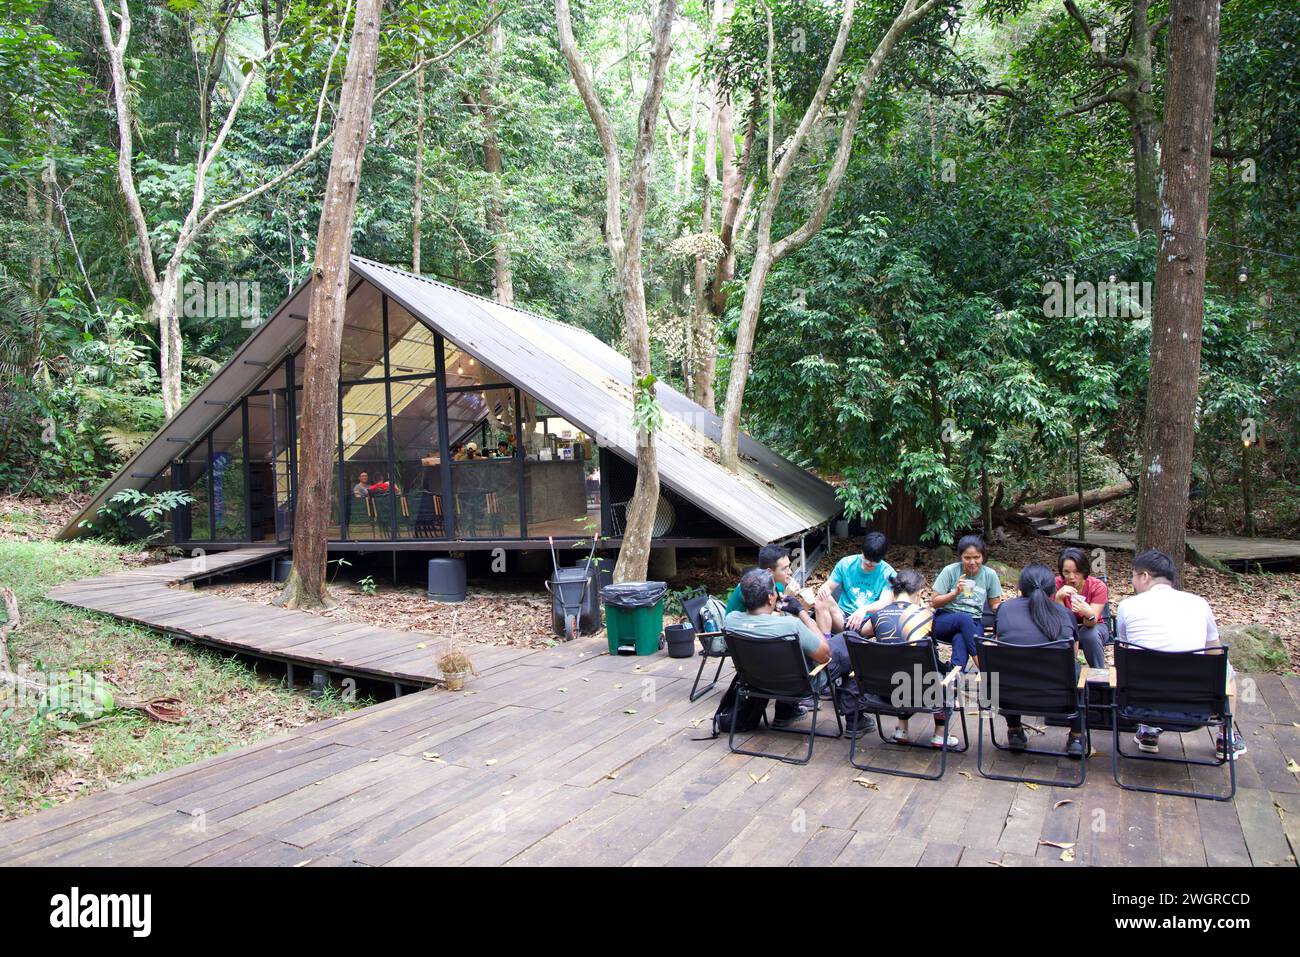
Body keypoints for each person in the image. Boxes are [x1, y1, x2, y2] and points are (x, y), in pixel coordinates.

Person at [1116, 549, 1242, 759]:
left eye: (1133, 575)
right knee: (1226, 669)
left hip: (1141, 704)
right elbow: (1215, 652)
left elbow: (1124, 649)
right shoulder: (1199, 603)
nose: (1132, 581)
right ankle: (1225, 737)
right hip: (1194, 707)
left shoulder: (1126, 606)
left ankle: (1148, 731)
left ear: (1145, 576)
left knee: (1138, 663)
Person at [726, 568, 856, 729]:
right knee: (848, 641)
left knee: (784, 658)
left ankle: (785, 711)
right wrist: (802, 613)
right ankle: (855, 720)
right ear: (770, 598)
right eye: (774, 590)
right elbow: (825, 655)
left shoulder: (730, 621)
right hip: (801, 685)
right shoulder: (791, 626)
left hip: (756, 682)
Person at [994, 564, 1084, 757]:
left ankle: (1014, 731)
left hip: (1008, 696)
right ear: (1053, 589)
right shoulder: (1065, 614)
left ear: (1020, 587)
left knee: (1007, 667)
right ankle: (1077, 737)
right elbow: (1073, 656)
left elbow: (998, 646)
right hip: (1058, 697)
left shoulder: (1005, 609)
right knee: (1079, 673)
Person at [859, 569, 955, 748]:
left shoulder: (878, 615)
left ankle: (902, 729)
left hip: (884, 691)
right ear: (918, 594)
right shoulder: (925, 616)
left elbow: (863, 632)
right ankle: (940, 734)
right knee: (947, 678)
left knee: (897, 665)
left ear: (893, 593)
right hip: (924, 693)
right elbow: (932, 654)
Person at [930, 535, 1004, 671]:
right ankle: (983, 665)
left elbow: (994, 604)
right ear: (960, 557)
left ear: (983, 557)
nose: (972, 562)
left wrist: (1009, 609)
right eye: (967, 558)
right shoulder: (950, 571)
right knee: (964, 619)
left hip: (974, 623)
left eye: (977, 557)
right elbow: (934, 603)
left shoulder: (990, 575)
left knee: (961, 637)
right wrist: (954, 593)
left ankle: (954, 673)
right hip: (945, 620)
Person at [815, 532, 895, 635]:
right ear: (862, 551)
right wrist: (824, 588)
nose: (870, 563)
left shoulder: (888, 573)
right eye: (866, 559)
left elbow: (885, 602)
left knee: (889, 615)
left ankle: (870, 645)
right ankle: (826, 642)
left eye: (875, 561)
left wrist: (864, 610)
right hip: (842, 617)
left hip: (867, 622)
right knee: (821, 599)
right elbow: (829, 586)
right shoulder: (846, 564)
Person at [1054, 546, 1108, 667]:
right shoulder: (1056, 585)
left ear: (1084, 570)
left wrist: (1087, 613)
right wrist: (1058, 599)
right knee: (1062, 634)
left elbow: (1092, 621)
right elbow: (1060, 622)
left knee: (1089, 634)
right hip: (1065, 627)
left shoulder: (1097, 586)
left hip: (1094, 625)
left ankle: (1099, 675)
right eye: (1066, 572)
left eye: (1076, 571)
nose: (1071, 577)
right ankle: (1066, 675)